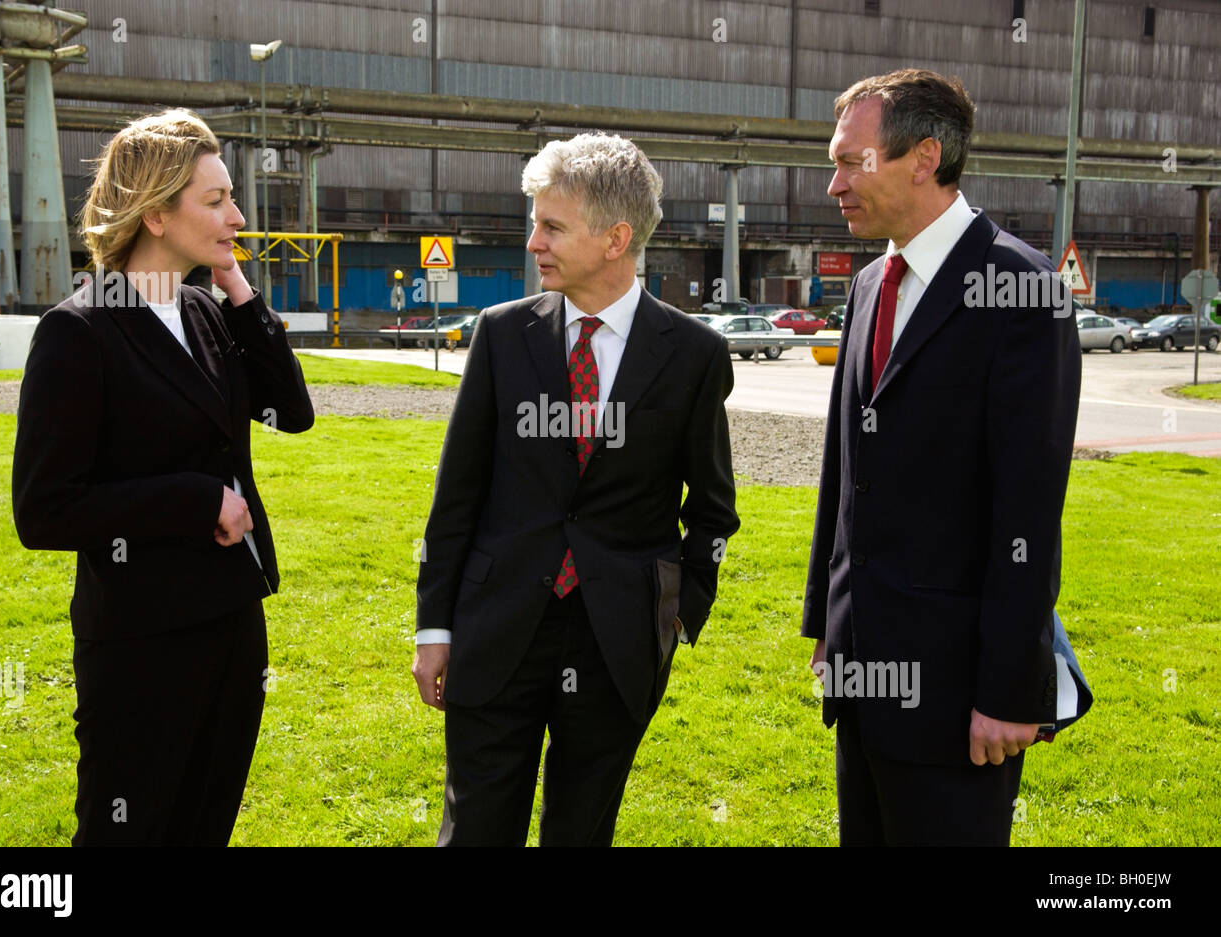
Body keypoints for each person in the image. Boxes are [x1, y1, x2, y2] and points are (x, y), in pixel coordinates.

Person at [412, 132, 740, 846]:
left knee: (581, 832)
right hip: (496, 629)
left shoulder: (694, 355)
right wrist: (434, 626)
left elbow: (714, 508)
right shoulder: (501, 335)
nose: (534, 242)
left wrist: (679, 613)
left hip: (615, 643)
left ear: (616, 237)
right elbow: (456, 495)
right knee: (473, 831)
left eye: (552, 226)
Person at [11, 109, 314, 845]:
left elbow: (291, 411)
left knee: (205, 827)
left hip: (234, 620)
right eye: (215, 201)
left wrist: (239, 290)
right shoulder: (79, 331)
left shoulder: (209, 312)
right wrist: (193, 500)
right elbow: (44, 510)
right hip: (142, 642)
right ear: (154, 214)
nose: (237, 215)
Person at [801, 69, 1081, 846]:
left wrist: (1008, 689)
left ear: (924, 158)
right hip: (861, 676)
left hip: (963, 702)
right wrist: (829, 618)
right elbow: (844, 469)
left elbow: (1028, 511)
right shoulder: (866, 287)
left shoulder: (1024, 292)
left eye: (852, 162)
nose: (834, 185)